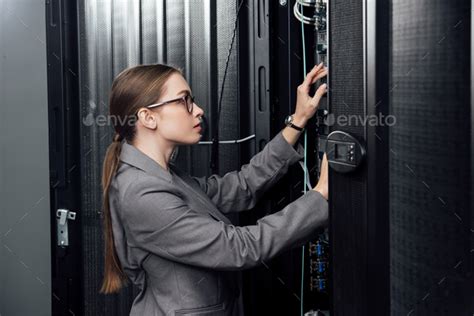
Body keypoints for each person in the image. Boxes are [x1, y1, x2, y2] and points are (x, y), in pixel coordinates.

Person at [99, 62, 329, 315]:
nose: (198, 110)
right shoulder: (143, 193)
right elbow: (239, 248)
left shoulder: (161, 176)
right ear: (148, 117)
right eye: (184, 100)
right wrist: (319, 196)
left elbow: (240, 187)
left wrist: (297, 122)